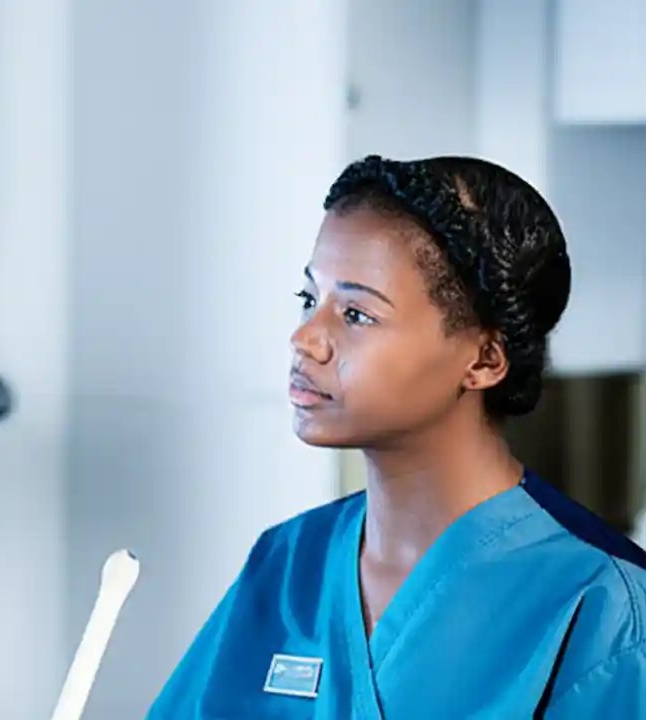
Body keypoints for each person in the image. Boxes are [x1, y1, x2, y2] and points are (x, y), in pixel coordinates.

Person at [147, 155, 646, 718]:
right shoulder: (287, 563)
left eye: (357, 314)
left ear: (483, 359)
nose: (306, 338)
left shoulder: (603, 607)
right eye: (310, 300)